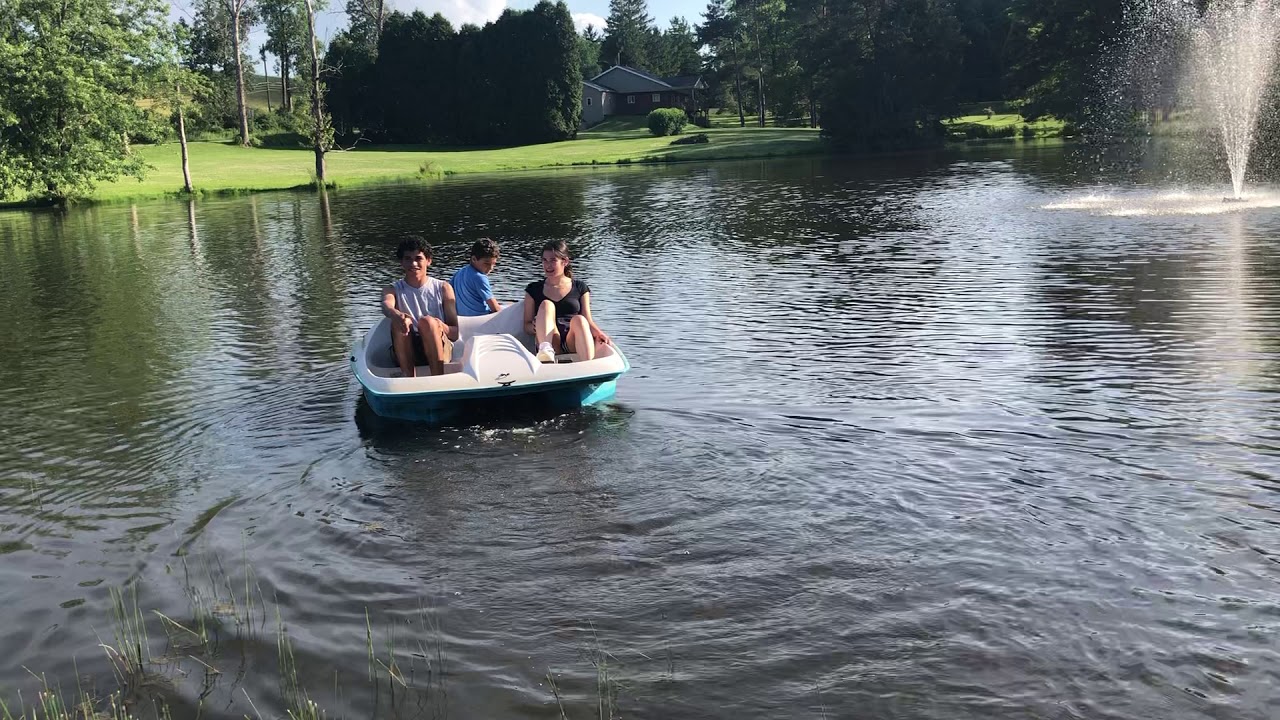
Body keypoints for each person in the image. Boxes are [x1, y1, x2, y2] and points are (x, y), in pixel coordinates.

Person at [381, 236, 459, 377]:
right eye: (408, 259)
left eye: (418, 258)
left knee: (428, 322)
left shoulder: (443, 288)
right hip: (408, 348)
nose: (413, 263)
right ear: (401, 262)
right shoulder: (392, 289)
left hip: (439, 346)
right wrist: (395, 314)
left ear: (428, 261)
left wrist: (440, 326)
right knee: (401, 322)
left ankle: (438, 379)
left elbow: (454, 334)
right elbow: (387, 304)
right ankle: (408, 378)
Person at [522, 240, 612, 363]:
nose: (548, 265)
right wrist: (535, 326)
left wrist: (599, 333)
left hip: (572, 340)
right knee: (547, 305)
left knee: (580, 319)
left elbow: (588, 320)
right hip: (550, 339)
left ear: (565, 261)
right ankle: (546, 353)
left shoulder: (580, 287)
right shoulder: (533, 289)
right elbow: (526, 326)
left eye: (553, 260)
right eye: (545, 260)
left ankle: (588, 363)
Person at [450, 238, 502, 316]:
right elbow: (495, 308)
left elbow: (449, 294)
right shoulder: (480, 277)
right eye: (486, 263)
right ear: (474, 259)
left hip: (461, 317)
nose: (491, 268)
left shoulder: (459, 272)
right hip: (480, 318)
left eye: (494, 264)